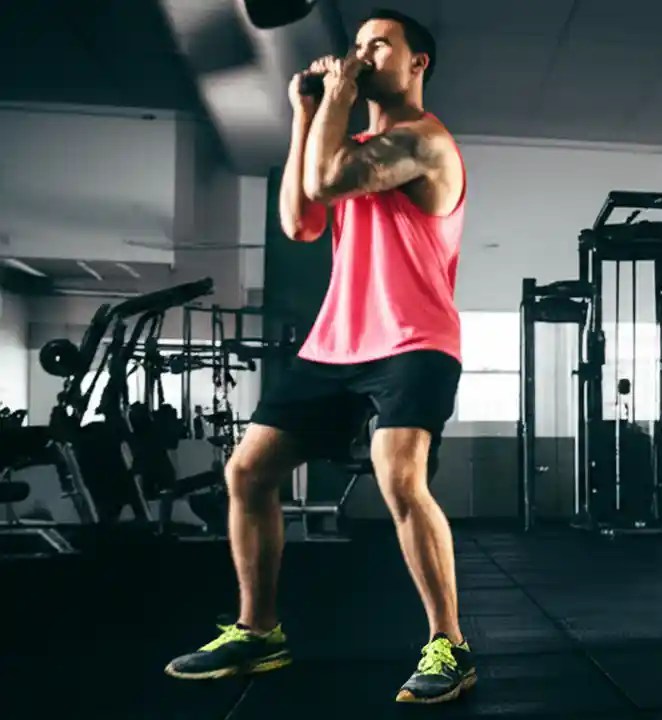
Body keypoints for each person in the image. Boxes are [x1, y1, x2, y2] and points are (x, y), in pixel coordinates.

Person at [163, 8, 475, 705]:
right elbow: (299, 221)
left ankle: (448, 644)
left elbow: (329, 180)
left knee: (399, 478)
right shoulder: (354, 140)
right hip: (337, 342)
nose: (361, 55)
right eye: (356, 45)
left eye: (378, 45)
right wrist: (307, 112)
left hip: (415, 340)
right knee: (247, 470)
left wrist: (335, 97)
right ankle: (258, 632)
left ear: (416, 63)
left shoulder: (424, 143)